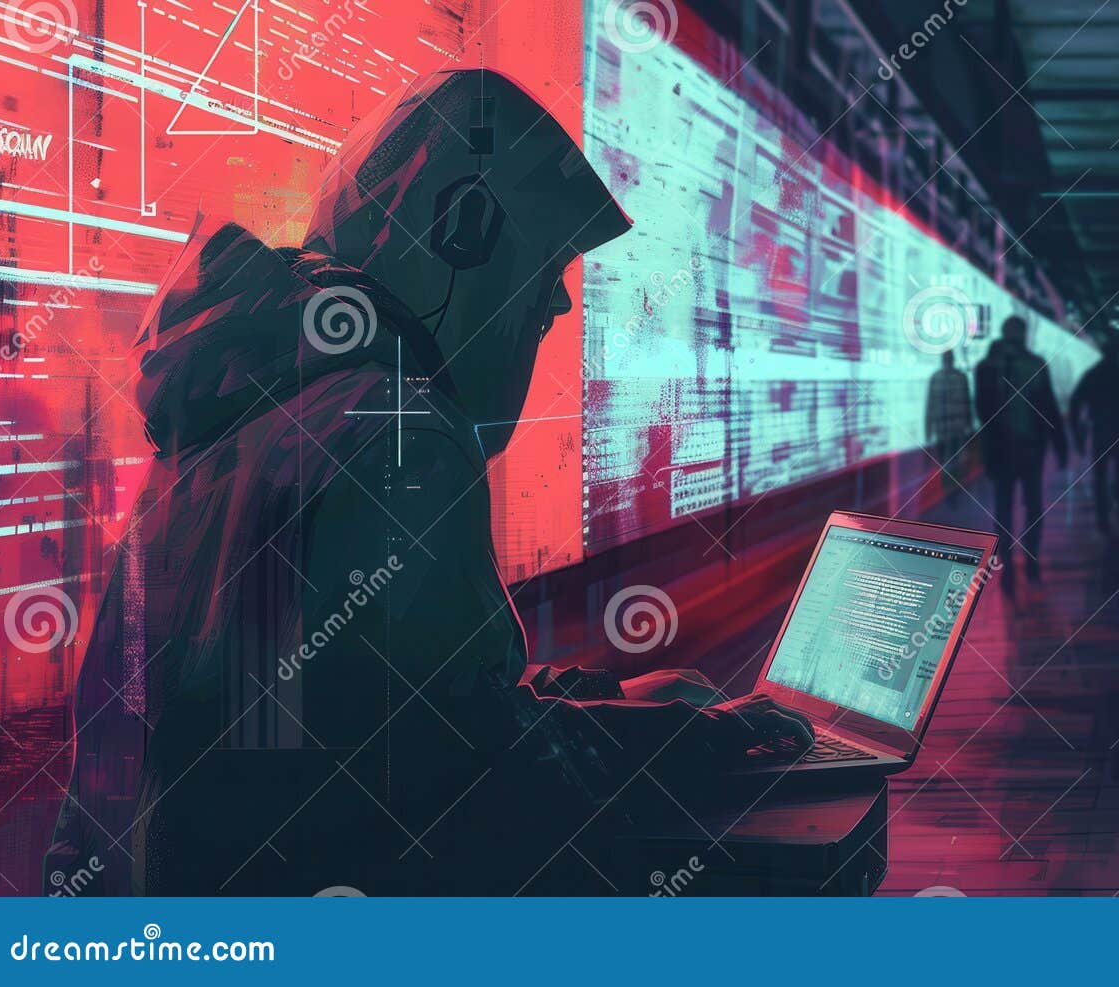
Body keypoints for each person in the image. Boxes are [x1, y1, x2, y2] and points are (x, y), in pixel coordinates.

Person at [45, 68, 810, 896]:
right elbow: (495, 780)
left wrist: (606, 697)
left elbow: (384, 708)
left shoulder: (243, 407)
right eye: (547, 266)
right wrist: (701, 737)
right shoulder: (393, 433)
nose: (554, 304)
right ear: (463, 233)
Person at [974, 317, 1068, 588]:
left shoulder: (985, 367)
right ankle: (1031, 561)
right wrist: (1060, 444)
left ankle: (1006, 567)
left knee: (1003, 508)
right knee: (1033, 505)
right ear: (1024, 335)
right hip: (1031, 448)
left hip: (1001, 450)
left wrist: (988, 450)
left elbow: (982, 411)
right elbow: (1048, 406)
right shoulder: (1035, 364)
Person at [1069, 335, 1119, 535]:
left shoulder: (1092, 375)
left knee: (1100, 478)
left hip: (1101, 431)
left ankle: (1103, 521)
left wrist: (1078, 435)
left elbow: (1075, 403)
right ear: (1118, 353)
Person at [925, 350, 973, 505]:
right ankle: (955, 490)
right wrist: (969, 425)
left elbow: (930, 405)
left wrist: (928, 430)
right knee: (956, 460)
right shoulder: (961, 377)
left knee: (946, 462)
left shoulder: (935, 378)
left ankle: (949, 493)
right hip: (958, 429)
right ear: (953, 360)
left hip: (942, 430)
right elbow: (967, 403)